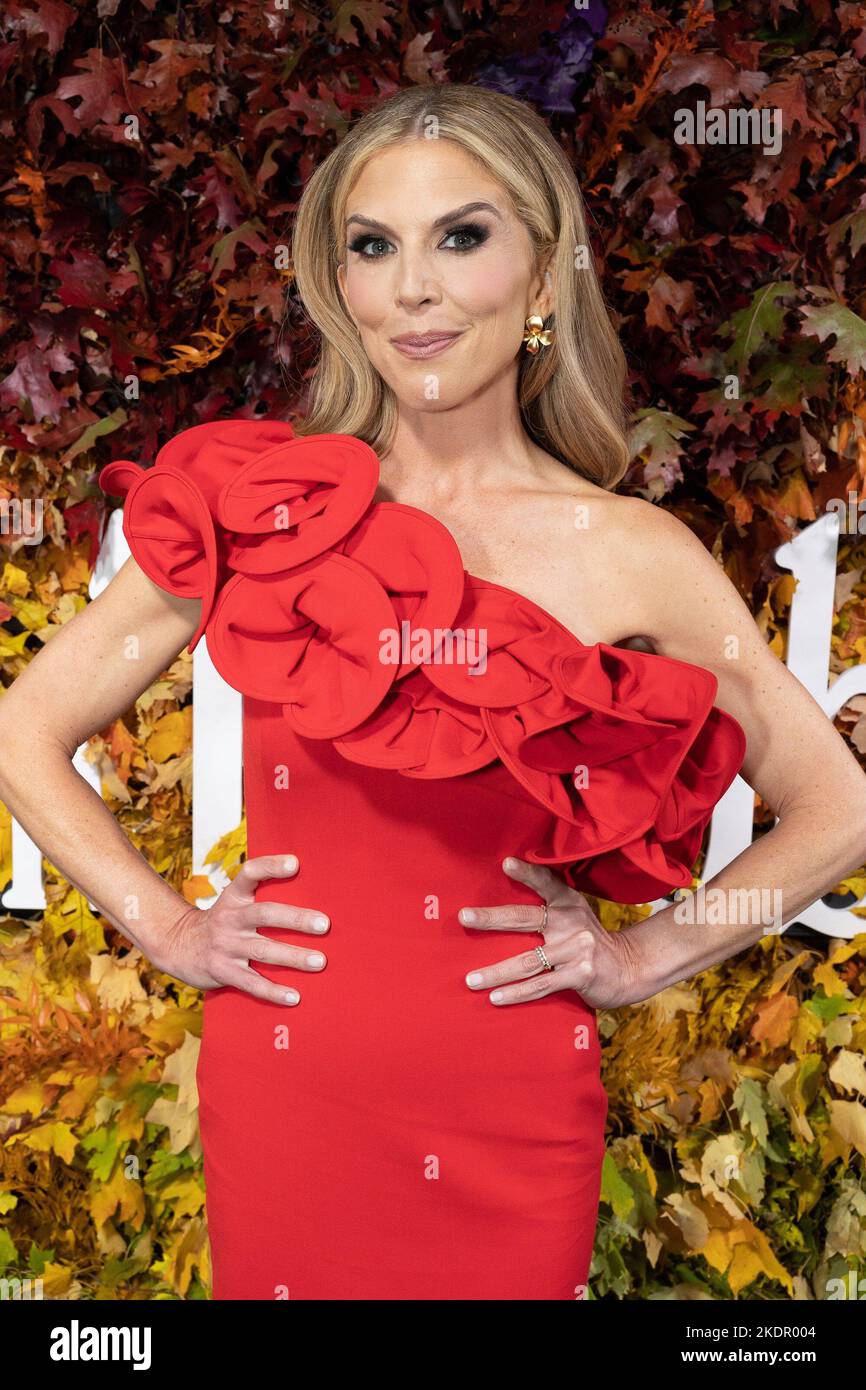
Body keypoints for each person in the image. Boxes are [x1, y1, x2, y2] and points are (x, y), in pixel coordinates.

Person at [2, 83, 865, 1302]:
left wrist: (638, 959)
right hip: (287, 1097)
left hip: (509, 1108)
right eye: (373, 244)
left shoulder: (626, 551)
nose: (411, 285)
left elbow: (837, 807)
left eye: (460, 236)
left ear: (543, 273)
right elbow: (23, 728)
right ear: (338, 283)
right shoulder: (262, 508)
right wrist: (168, 925)